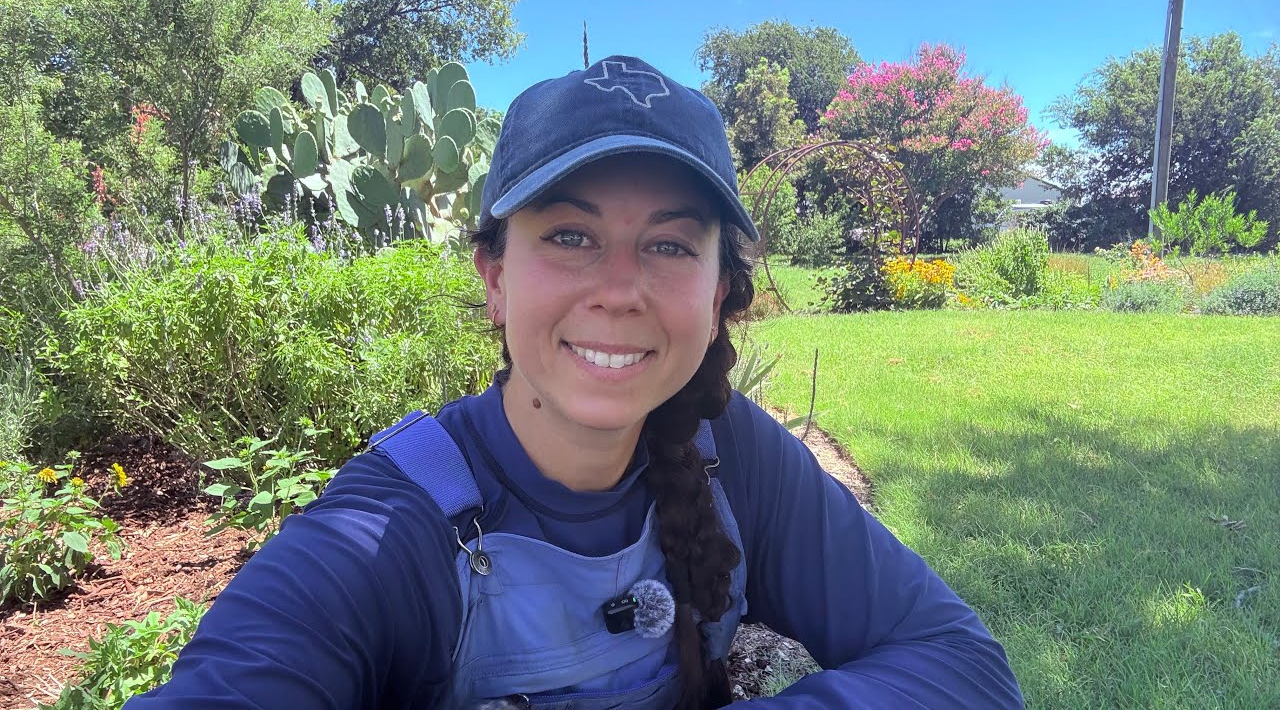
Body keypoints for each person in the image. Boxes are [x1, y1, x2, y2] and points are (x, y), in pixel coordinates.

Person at [124, 55, 1023, 709]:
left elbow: (959, 663)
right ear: (494, 275)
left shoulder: (730, 452)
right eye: (568, 235)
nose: (621, 290)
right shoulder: (390, 530)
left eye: (670, 244)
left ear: (716, 295)